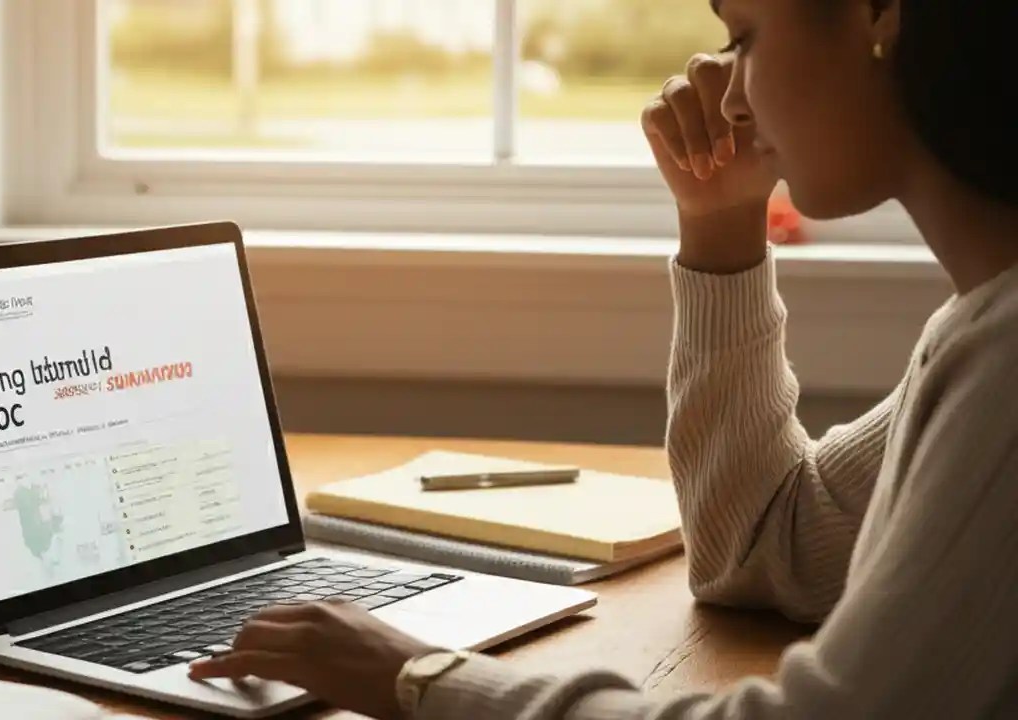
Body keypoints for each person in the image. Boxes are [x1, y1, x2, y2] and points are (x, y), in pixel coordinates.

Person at [189, 0, 1018, 716]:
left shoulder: (1004, 364)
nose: (731, 97)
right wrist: (720, 223)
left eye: (746, 37)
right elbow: (765, 544)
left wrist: (420, 679)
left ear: (881, 14)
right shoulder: (979, 328)